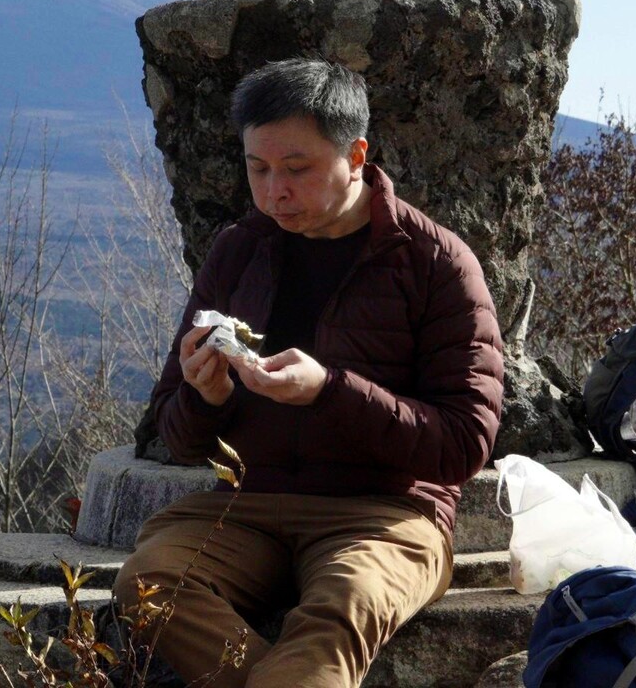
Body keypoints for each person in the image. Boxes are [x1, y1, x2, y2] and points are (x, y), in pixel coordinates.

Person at [113, 58, 504, 688]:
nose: (274, 193)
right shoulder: (240, 250)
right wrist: (203, 397)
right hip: (247, 501)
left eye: (296, 169)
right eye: (257, 169)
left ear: (356, 154)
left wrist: (330, 392)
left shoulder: (434, 262)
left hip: (386, 512)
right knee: (149, 585)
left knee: (343, 607)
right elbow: (176, 437)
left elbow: (463, 445)